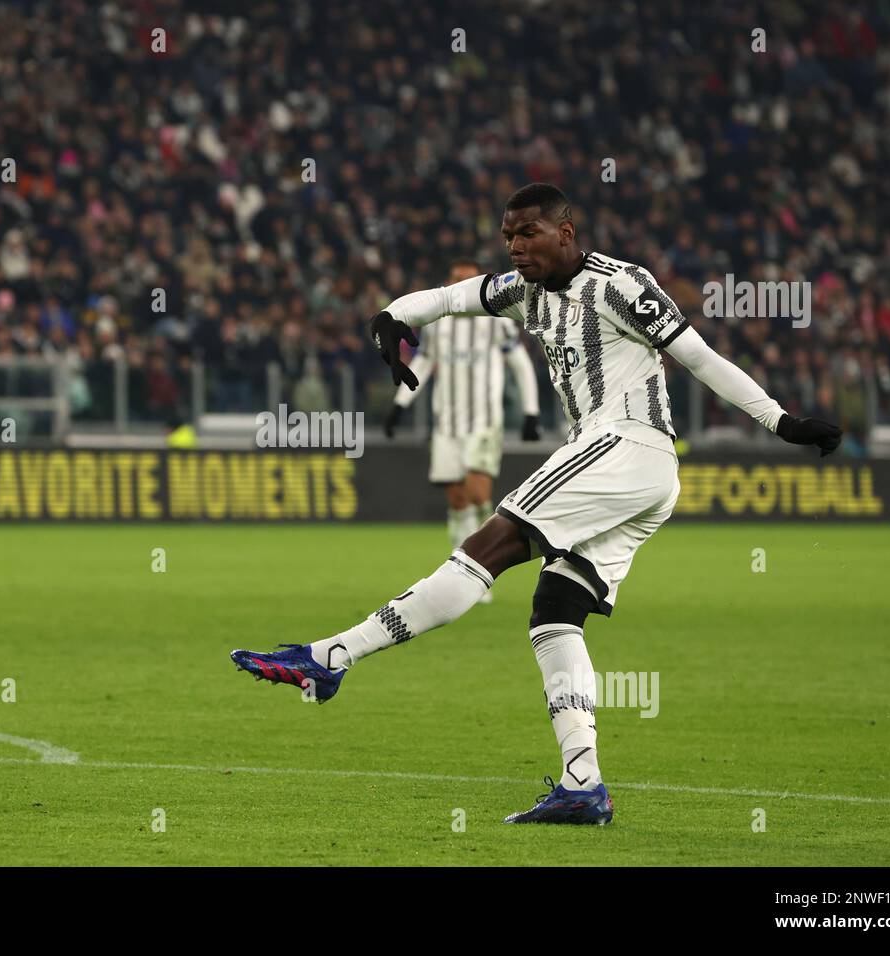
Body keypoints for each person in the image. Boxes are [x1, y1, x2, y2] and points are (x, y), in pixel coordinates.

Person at [231, 183, 841, 826]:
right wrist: (393, 316)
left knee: (488, 545)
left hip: (625, 444)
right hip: (637, 475)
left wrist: (780, 422)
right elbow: (448, 299)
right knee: (555, 612)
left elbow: (699, 357)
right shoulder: (521, 292)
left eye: (529, 234)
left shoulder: (621, 285)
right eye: (508, 237)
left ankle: (332, 656)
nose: (516, 248)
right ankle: (584, 784)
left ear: (566, 233)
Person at [382, 258, 541, 604]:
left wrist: (531, 411)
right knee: (456, 499)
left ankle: (483, 568)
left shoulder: (496, 319)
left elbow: (519, 361)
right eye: (455, 279)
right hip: (447, 423)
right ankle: (459, 572)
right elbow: (424, 361)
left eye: (467, 280)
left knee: (476, 492)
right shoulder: (439, 323)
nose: (460, 285)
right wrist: (400, 404)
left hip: (484, 420)